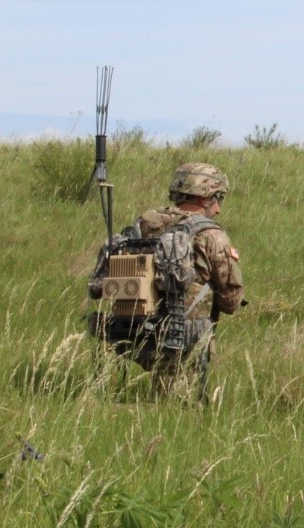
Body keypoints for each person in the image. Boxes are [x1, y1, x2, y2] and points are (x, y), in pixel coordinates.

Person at [94, 162, 244, 392]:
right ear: (205, 198)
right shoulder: (211, 235)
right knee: (178, 405)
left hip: (133, 332)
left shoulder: (143, 224)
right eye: (218, 199)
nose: (218, 209)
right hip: (181, 337)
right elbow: (231, 302)